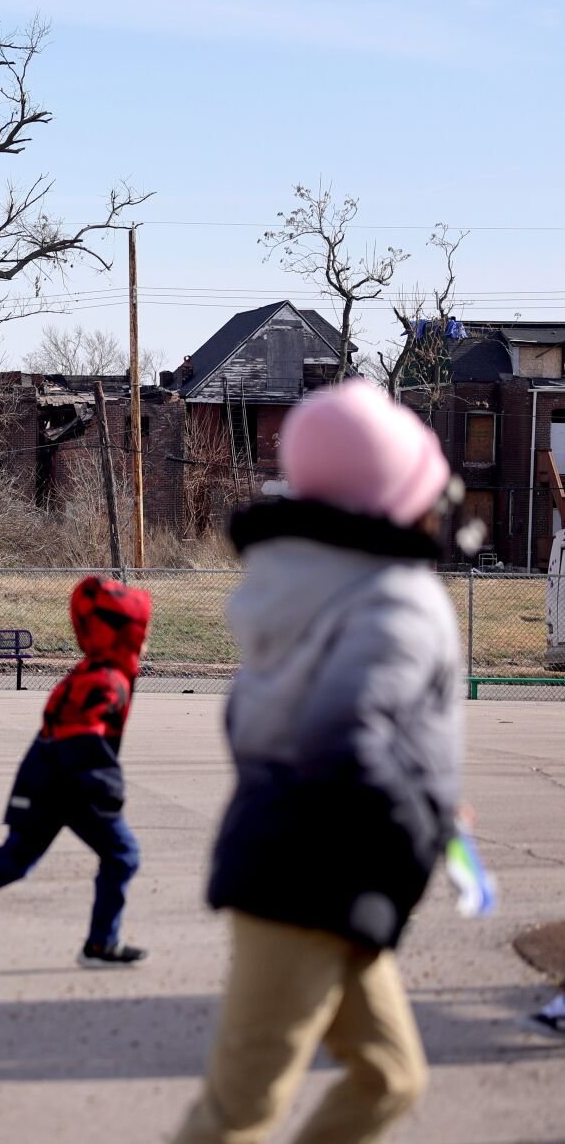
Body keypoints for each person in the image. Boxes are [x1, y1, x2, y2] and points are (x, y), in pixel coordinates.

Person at [174, 379, 463, 1143]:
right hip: (312, 880)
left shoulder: (295, 583)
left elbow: (248, 718)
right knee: (239, 1110)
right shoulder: (396, 597)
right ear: (402, 491)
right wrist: (424, 823)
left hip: (311, 862)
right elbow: (349, 748)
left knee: (388, 1078)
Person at [0, 575, 153, 968]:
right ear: (121, 633)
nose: (144, 637)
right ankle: (101, 945)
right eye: (140, 629)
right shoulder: (107, 680)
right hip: (71, 782)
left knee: (17, 859)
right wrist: (105, 791)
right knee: (123, 854)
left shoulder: (95, 672)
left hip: (45, 777)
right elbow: (81, 740)